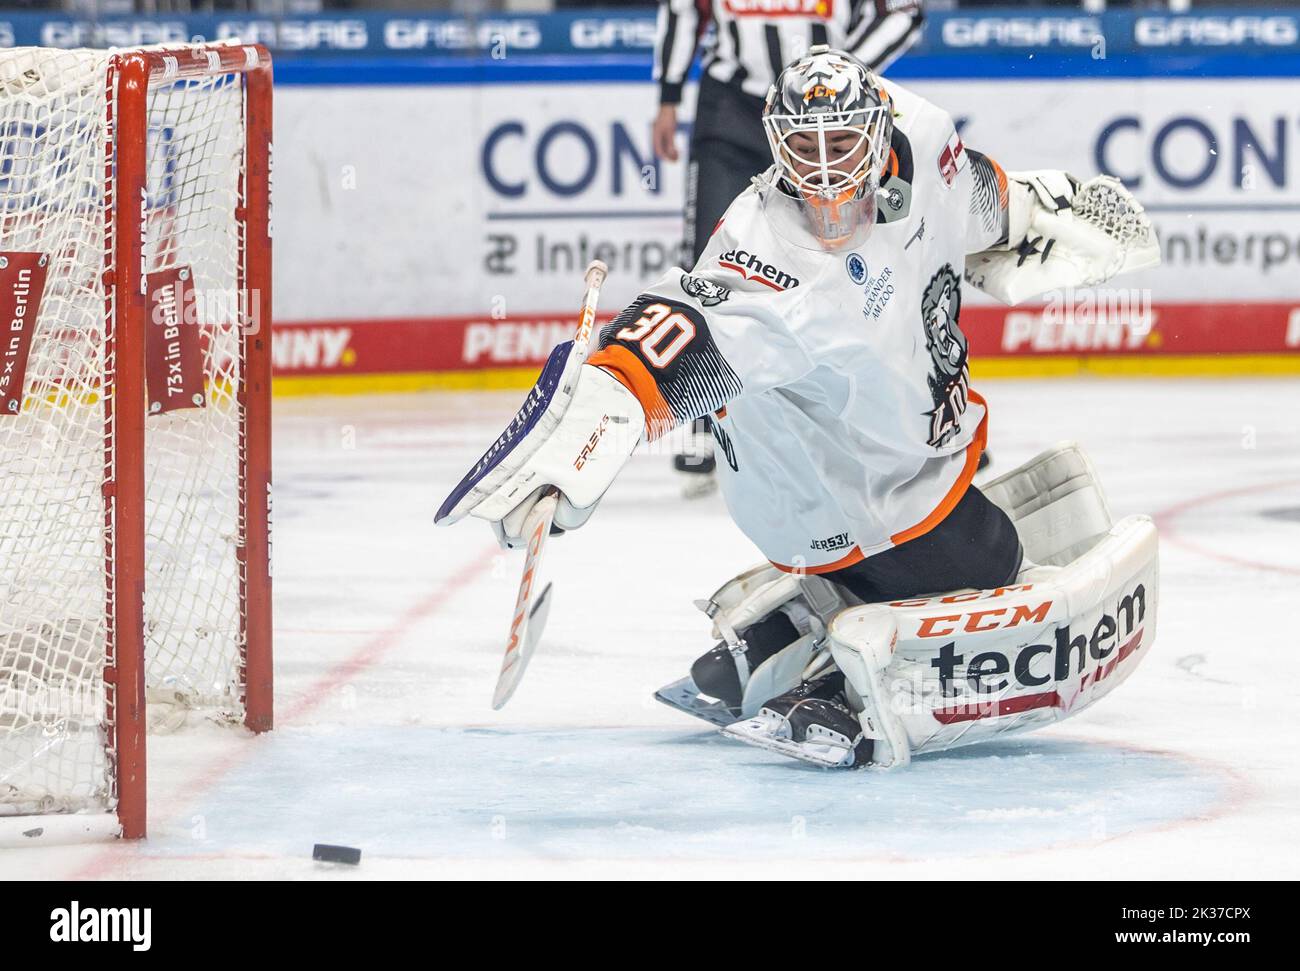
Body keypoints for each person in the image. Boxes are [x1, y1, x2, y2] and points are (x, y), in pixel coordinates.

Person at [438, 47, 1161, 769]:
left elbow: (981, 201)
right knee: (994, 553)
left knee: (969, 523)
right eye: (801, 150)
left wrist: (1049, 209)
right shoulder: (767, 250)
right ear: (774, 145)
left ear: (879, 132)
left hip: (877, 462)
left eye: (841, 143)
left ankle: (774, 641)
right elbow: (676, 333)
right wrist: (580, 444)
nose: (822, 172)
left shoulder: (928, 138)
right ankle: (835, 686)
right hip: (845, 494)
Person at [653, 0, 925, 495]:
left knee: (868, 254)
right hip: (732, 105)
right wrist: (667, 95)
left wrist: (839, 76)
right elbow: (682, 9)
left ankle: (922, 403)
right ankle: (705, 426)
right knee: (709, 263)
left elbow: (905, 11)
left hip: (834, 119)